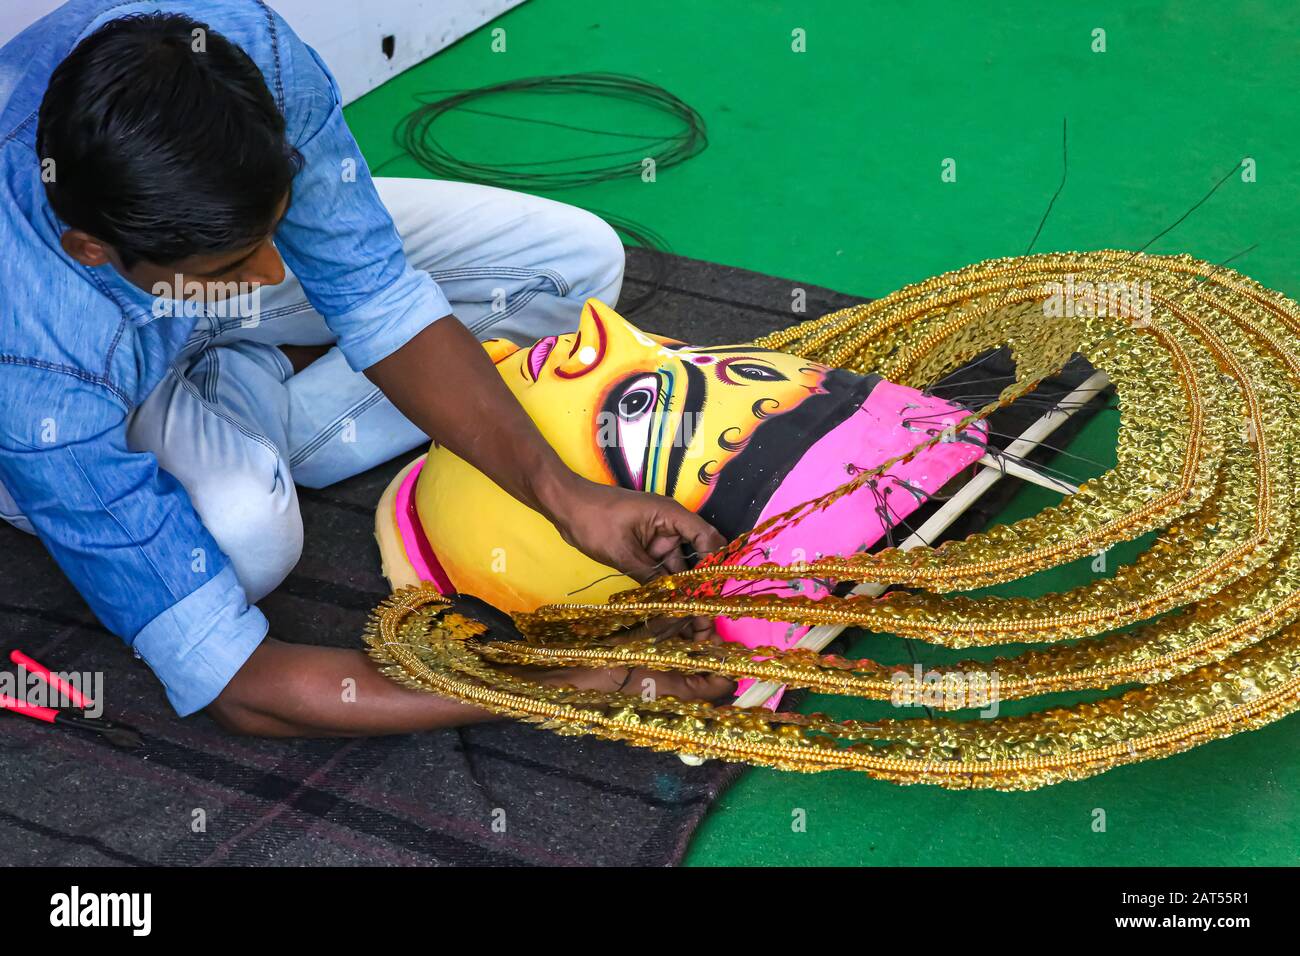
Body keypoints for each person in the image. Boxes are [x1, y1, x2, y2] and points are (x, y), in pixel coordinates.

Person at [0, 1, 733, 736]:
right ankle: (235, 395)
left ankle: (242, 383)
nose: (276, 271)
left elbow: (375, 296)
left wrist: (568, 498)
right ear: (91, 247)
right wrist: (586, 683)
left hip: (172, 278)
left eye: (277, 226)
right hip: (85, 367)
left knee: (574, 268)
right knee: (243, 543)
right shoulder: (34, 371)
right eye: (233, 264)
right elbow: (241, 685)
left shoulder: (237, 53)